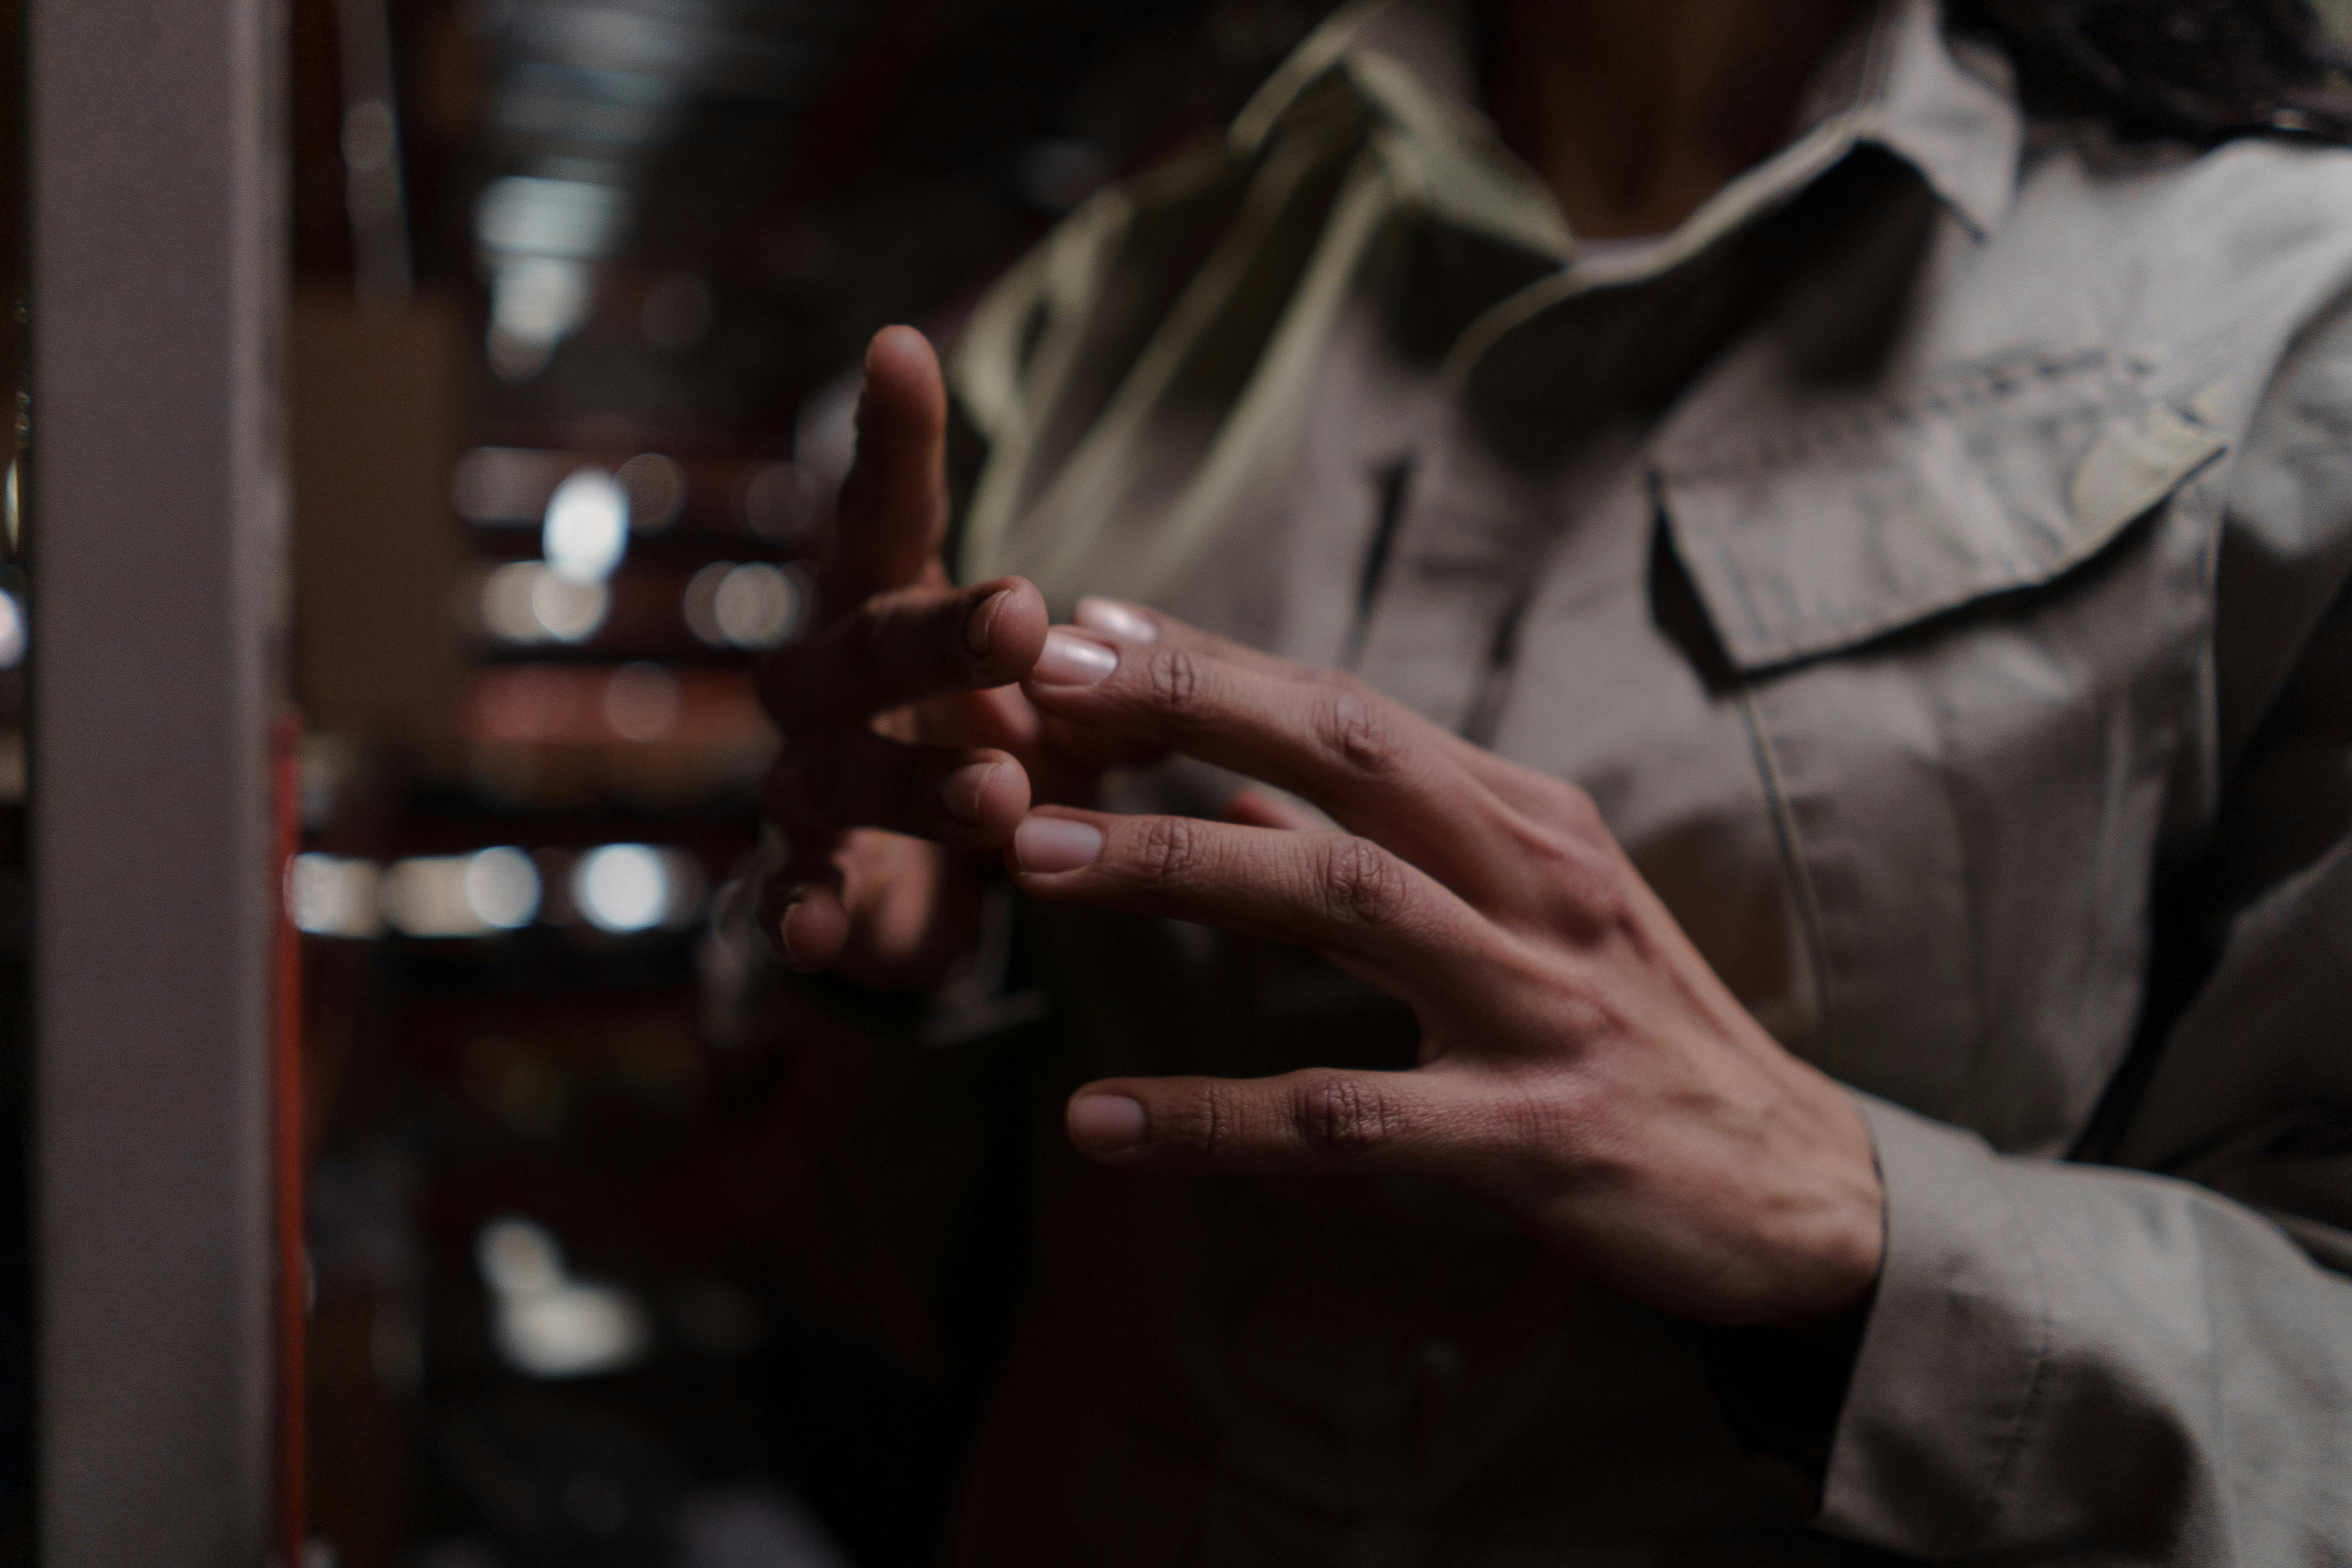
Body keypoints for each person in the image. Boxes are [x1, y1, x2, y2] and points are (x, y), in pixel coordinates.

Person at [755, 0, 2352, 1559]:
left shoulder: (2293, 318)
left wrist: (1868, 1232)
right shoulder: (1099, 304)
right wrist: (905, 981)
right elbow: (854, 1260)